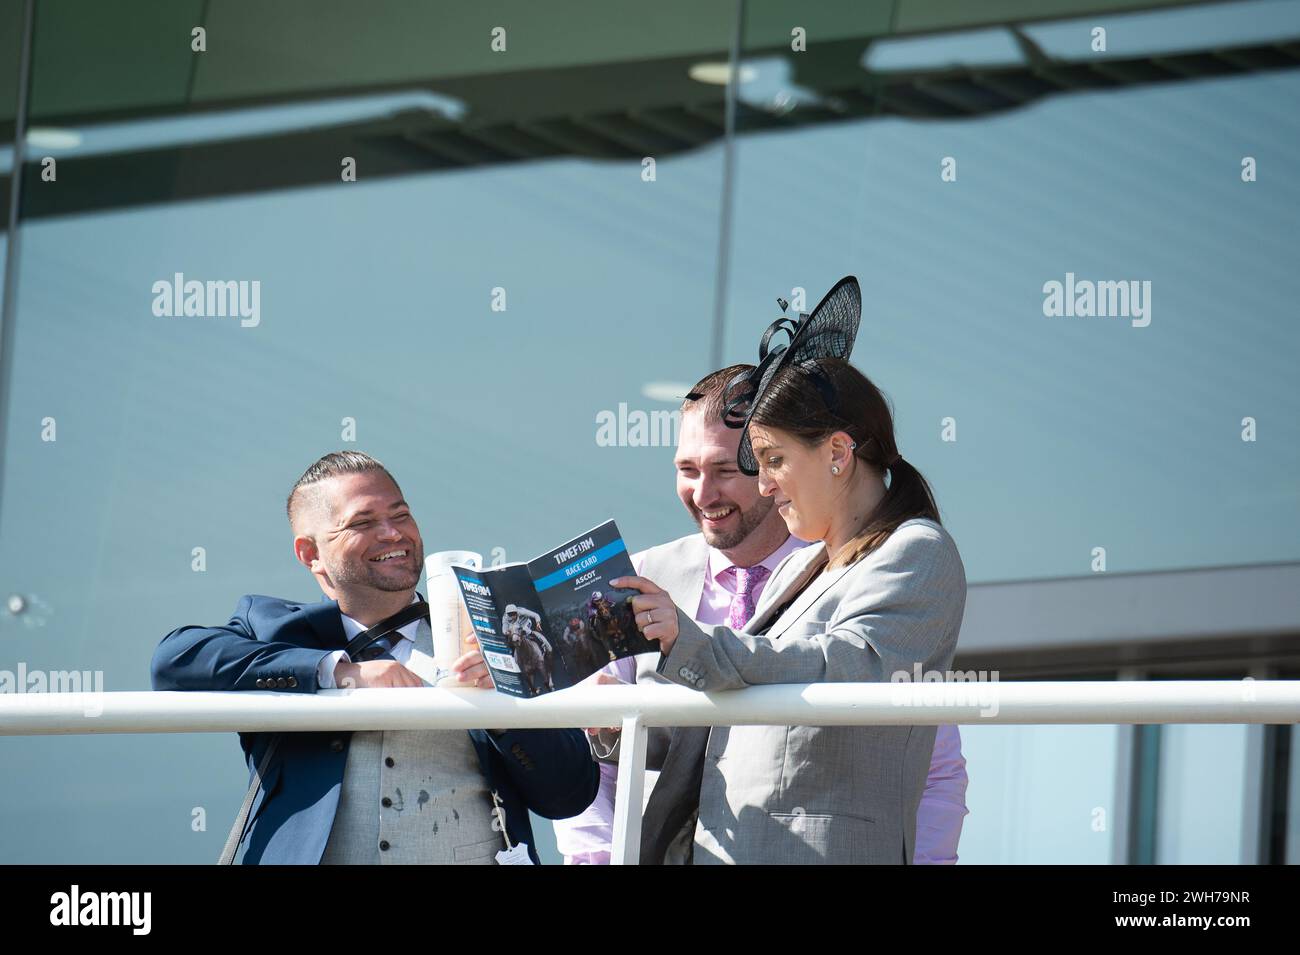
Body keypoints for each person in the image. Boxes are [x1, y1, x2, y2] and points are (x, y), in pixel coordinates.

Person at [555, 364, 969, 864]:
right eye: (687, 469)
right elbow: (732, 730)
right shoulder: (803, 566)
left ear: (838, 453)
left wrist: (694, 643)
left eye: (769, 460)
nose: (767, 485)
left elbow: (851, 669)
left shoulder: (916, 549)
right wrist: (626, 726)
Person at [150, 451, 598, 864]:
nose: (393, 533)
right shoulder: (275, 629)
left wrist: (501, 706)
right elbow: (174, 661)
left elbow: (569, 794)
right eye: (362, 522)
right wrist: (340, 672)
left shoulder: (489, 634)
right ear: (311, 553)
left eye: (401, 514)